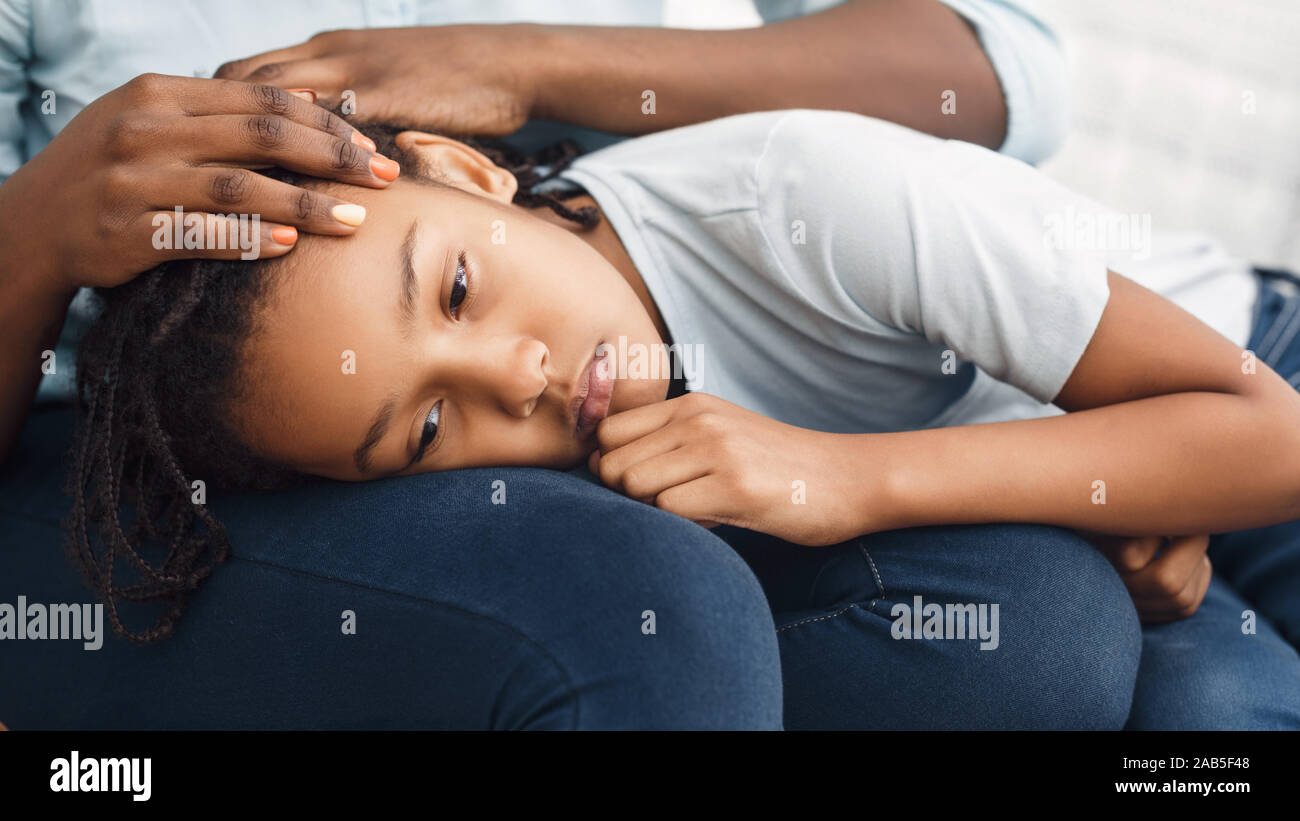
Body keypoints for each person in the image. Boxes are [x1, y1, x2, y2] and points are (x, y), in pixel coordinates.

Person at [0, 0, 1125, 730]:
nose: (514, 371)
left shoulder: (771, 218)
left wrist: (531, 63)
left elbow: (998, 80)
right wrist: (34, 228)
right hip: (125, 451)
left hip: (656, 360)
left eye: (456, 291)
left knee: (1031, 629)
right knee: (635, 603)